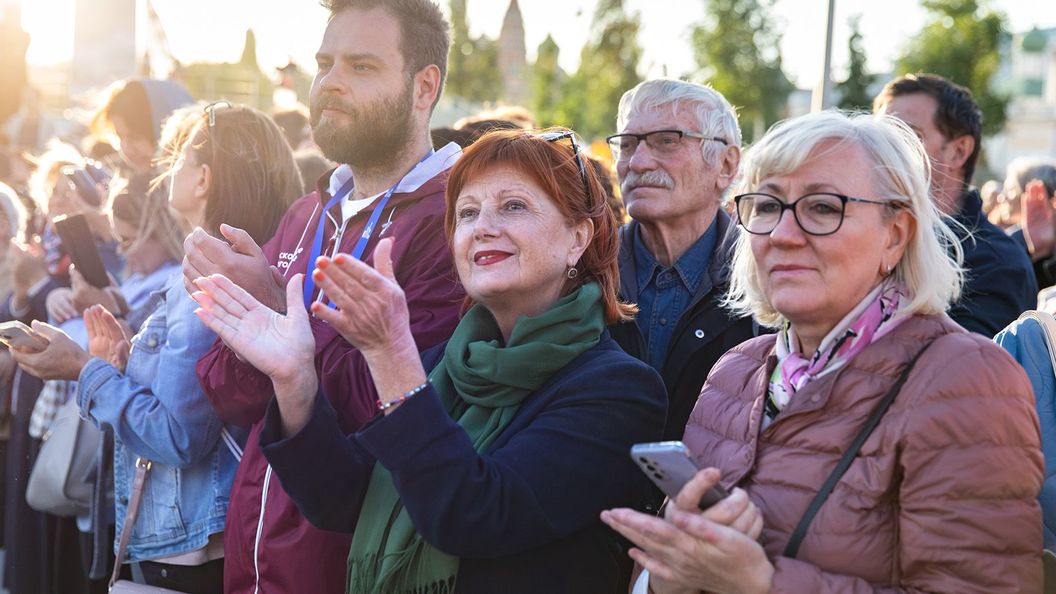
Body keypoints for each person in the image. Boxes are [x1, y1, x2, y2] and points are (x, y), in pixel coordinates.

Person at [190, 128, 667, 594]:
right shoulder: (449, 363)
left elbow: (477, 514)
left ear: (577, 238)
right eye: (467, 213)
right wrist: (295, 379)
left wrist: (389, 353)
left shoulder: (619, 389)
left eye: (513, 206)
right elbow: (345, 501)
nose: (483, 227)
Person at [601, 110, 1043, 593]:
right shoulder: (737, 369)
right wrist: (667, 578)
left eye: (823, 208)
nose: (783, 234)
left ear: (895, 235)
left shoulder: (965, 379)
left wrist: (761, 584)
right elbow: (664, 570)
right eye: (767, 207)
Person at [186, 1, 465, 591]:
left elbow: (382, 410)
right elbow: (228, 393)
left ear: (424, 86)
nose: (331, 82)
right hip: (254, 562)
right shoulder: (309, 211)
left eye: (361, 66)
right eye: (324, 62)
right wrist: (258, 331)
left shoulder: (455, 221)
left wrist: (272, 322)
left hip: (347, 565)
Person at [10, 103, 300, 593]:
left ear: (204, 178)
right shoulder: (241, 266)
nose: (169, 166)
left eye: (181, 154)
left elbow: (176, 436)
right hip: (198, 535)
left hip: (186, 547)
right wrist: (122, 363)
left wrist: (83, 371)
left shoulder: (203, 280)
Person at [605, 78, 757, 442]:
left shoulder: (765, 283)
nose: (637, 162)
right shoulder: (581, 274)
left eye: (667, 140)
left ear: (726, 163)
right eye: (627, 145)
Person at [874, 73, 1037, 336]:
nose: (884, 152)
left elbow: (958, 369)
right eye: (878, 138)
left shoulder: (997, 264)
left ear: (959, 151)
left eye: (906, 137)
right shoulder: (864, 236)